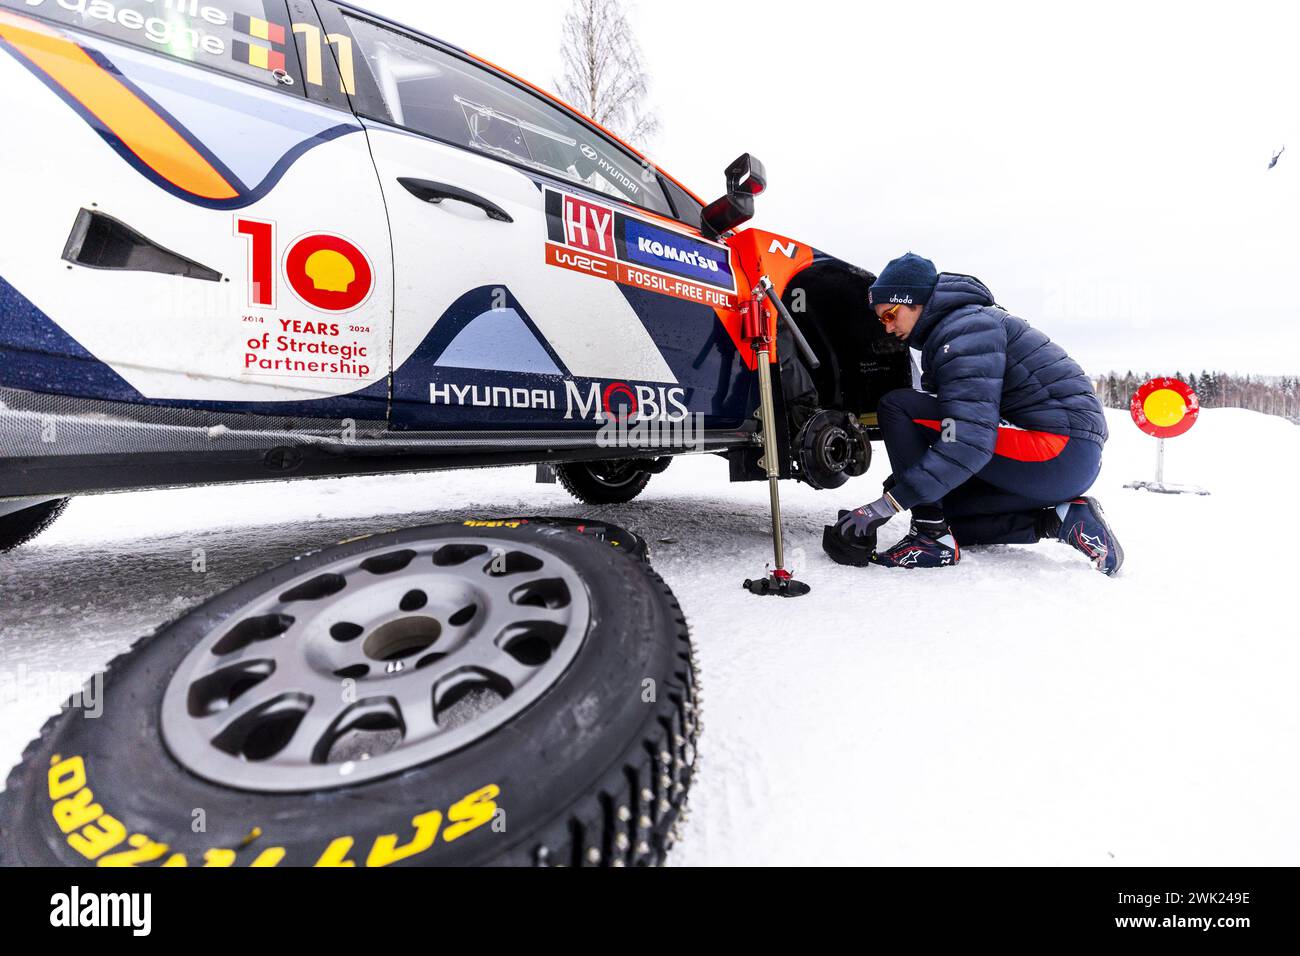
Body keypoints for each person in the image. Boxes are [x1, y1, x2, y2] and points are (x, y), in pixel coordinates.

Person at [823, 252, 1123, 575]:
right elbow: (963, 422)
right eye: (883, 319)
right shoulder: (961, 327)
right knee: (943, 510)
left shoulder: (965, 331)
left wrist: (885, 506)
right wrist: (908, 484)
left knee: (899, 407)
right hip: (1067, 458)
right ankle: (1065, 521)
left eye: (890, 315)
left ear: (913, 301)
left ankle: (929, 537)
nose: (888, 327)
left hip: (1058, 447)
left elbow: (968, 440)